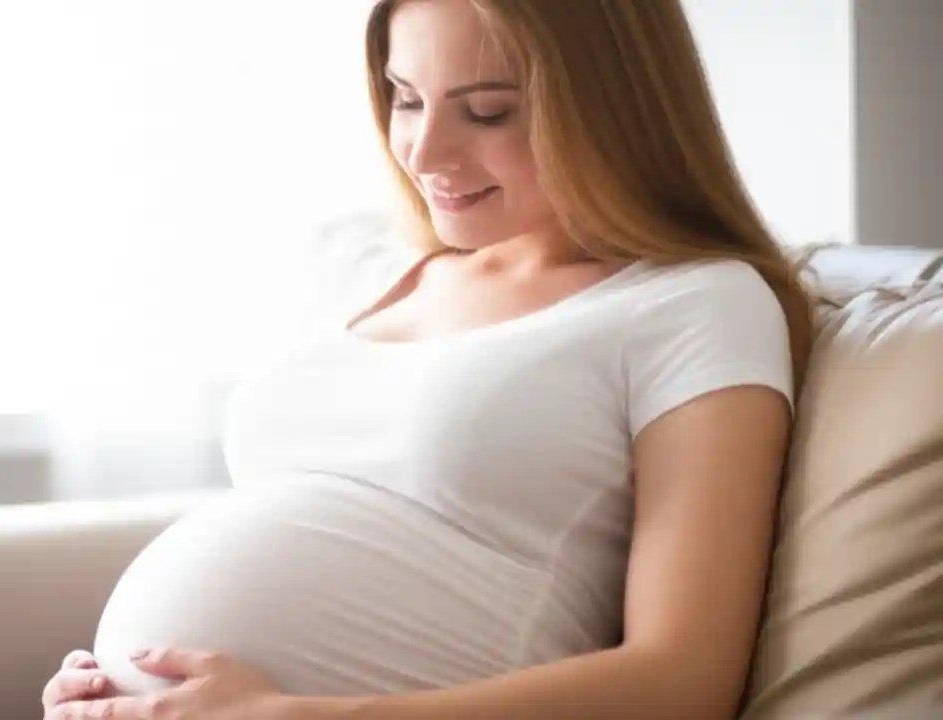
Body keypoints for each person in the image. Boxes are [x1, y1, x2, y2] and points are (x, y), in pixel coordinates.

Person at [41, 0, 814, 718]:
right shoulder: (378, 272)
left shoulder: (697, 305)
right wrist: (116, 690)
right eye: (406, 98)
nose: (424, 151)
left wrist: (304, 718)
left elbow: (684, 678)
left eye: (487, 111)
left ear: (616, 109)